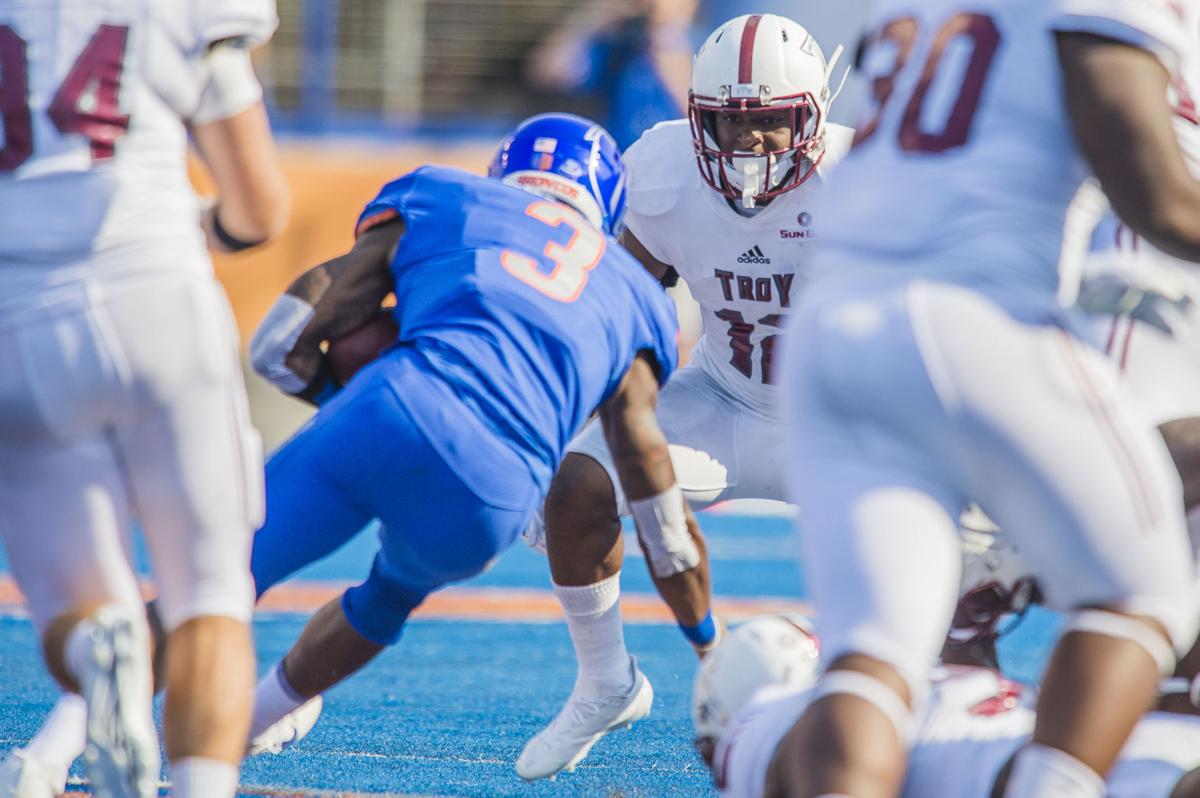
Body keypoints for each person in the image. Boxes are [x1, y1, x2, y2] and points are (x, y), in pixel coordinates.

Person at [777, 0, 1200, 794]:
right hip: (974, 309)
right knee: (1143, 595)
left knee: (874, 660)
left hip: (830, 329)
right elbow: (1153, 190)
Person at [237, 112, 684, 753]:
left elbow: (278, 342)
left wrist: (348, 396)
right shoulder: (631, 291)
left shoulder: (446, 196)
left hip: (389, 407)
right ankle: (256, 718)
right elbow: (625, 434)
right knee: (387, 598)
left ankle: (92, 725)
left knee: (218, 581)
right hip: (500, 488)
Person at [516, 13, 852, 781]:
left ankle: (931, 699)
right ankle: (606, 682)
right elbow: (616, 313)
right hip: (724, 402)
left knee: (949, 543)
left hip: (840, 426)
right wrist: (560, 426)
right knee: (576, 484)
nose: (749, 142)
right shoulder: (663, 171)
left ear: (813, 114)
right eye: (730, 122)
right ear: (698, 118)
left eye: (770, 121)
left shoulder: (865, 180)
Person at [0, 0, 287, 796]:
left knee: (78, 612)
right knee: (209, 594)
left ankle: (97, 650)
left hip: (14, 316)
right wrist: (209, 229)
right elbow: (259, 207)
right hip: (155, 288)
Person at [694, 614, 1200, 798]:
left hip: (1026, 773)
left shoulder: (771, 721)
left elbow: (829, 741)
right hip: (1122, 744)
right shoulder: (915, 673)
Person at [525, 0, 699, 150]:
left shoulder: (704, 47)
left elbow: (700, 117)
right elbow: (548, 73)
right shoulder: (618, 47)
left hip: (675, 161)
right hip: (618, 157)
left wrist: (665, 37)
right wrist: (594, 19)